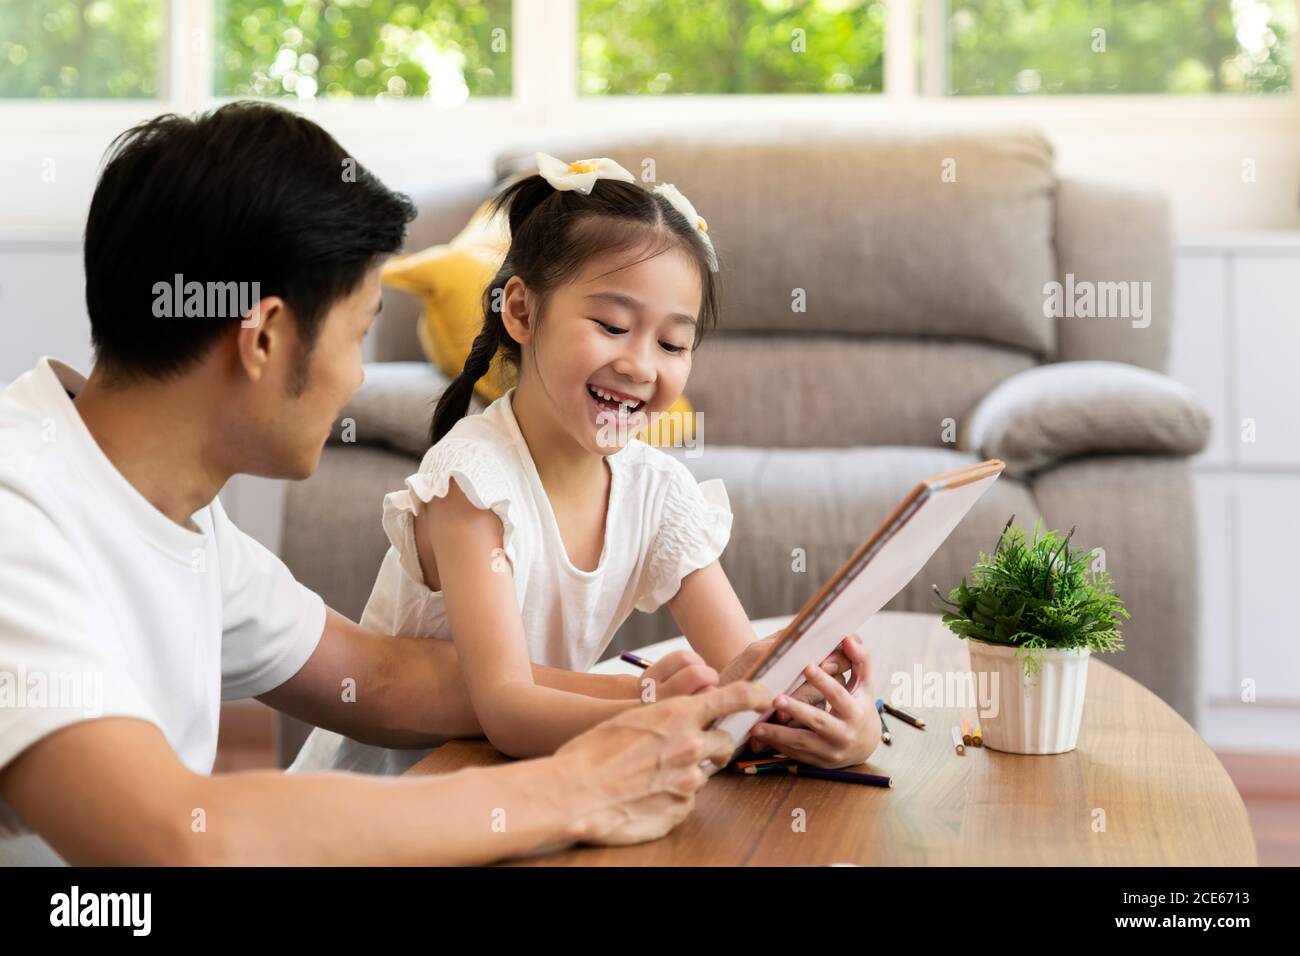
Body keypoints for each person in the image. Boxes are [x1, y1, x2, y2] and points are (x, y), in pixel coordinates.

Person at [0, 101, 778, 866]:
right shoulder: (18, 511)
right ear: (264, 338)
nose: (358, 378)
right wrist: (573, 789)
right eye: (359, 332)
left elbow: (379, 678)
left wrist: (671, 705)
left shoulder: (169, 510)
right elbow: (172, 835)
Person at [291, 152, 881, 776]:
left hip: (526, 778)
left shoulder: (656, 492)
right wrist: (662, 709)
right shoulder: (472, 482)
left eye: (673, 343)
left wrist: (842, 725)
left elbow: (742, 671)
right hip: (397, 796)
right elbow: (507, 708)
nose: (641, 366)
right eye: (611, 324)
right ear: (519, 312)